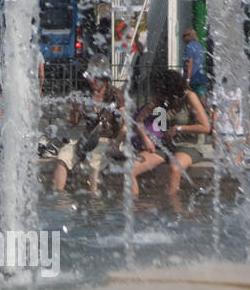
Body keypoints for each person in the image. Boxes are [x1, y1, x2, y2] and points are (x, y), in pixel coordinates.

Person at [131, 68, 210, 199]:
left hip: (188, 145)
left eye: (161, 92)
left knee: (175, 168)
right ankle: (134, 208)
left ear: (170, 90)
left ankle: (172, 208)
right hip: (165, 146)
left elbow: (206, 127)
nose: (158, 95)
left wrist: (179, 128)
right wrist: (145, 139)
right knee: (130, 168)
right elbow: (139, 120)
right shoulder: (159, 99)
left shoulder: (189, 97)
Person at [51, 57, 125, 197]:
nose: (92, 82)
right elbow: (74, 123)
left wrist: (116, 143)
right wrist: (74, 110)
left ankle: (94, 201)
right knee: (63, 157)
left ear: (104, 79)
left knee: (94, 162)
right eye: (90, 78)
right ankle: (58, 198)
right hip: (88, 139)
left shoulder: (115, 95)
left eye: (96, 79)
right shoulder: (85, 95)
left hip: (107, 139)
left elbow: (124, 126)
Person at [182, 27, 208, 98]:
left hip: (192, 79)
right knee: (202, 99)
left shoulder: (189, 46)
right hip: (201, 77)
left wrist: (187, 79)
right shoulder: (199, 45)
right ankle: (208, 109)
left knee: (188, 98)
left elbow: (190, 62)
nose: (182, 38)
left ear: (189, 36)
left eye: (184, 35)